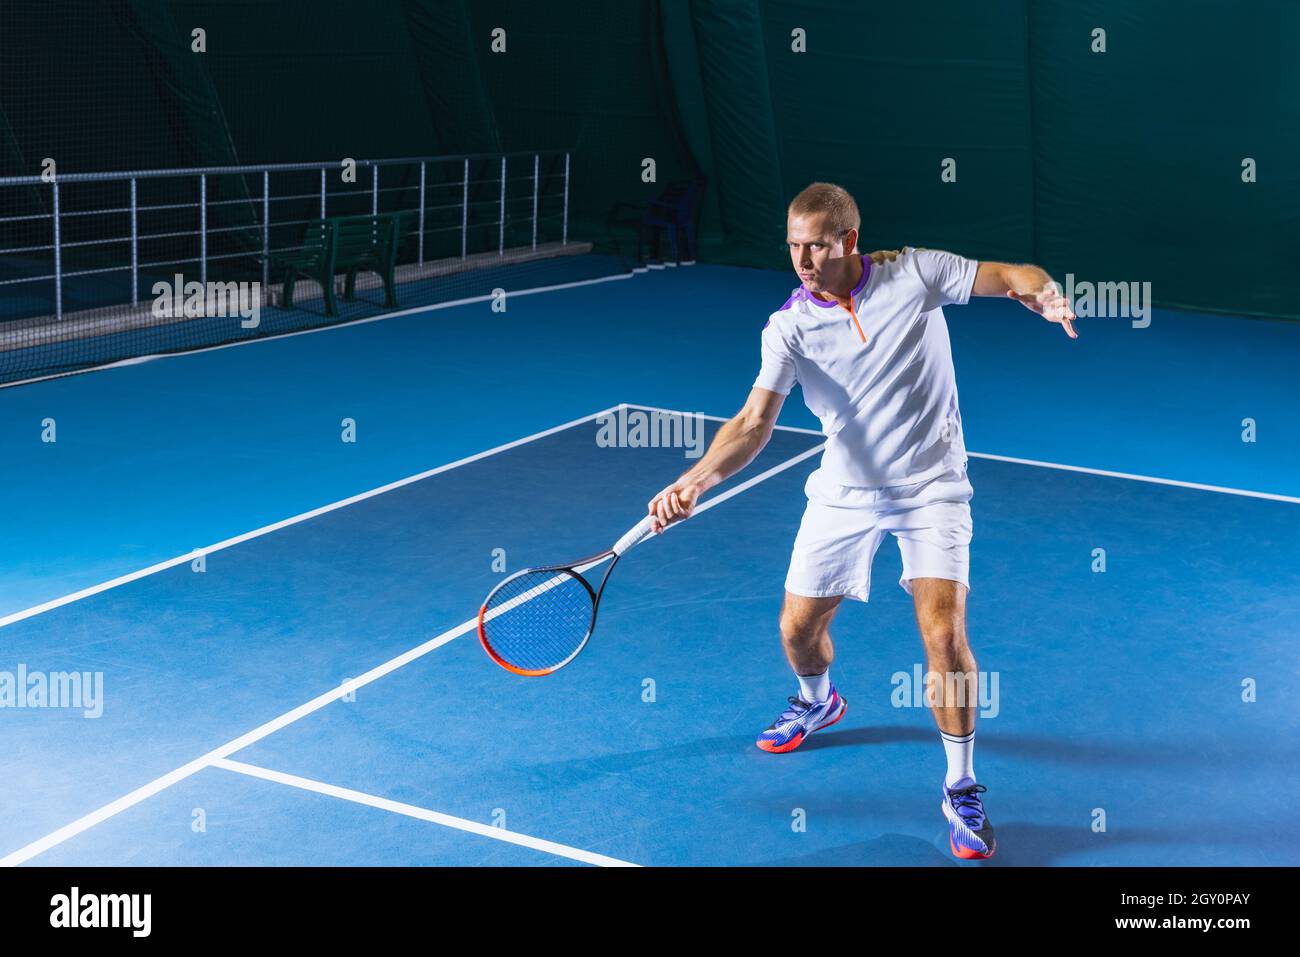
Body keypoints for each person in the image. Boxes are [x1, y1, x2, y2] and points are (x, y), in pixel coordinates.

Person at [644, 182, 1077, 860]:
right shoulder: (788, 325)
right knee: (797, 628)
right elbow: (754, 421)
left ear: (848, 239)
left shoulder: (916, 272)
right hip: (845, 490)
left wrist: (1044, 291)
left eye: (814, 244)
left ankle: (960, 784)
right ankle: (818, 698)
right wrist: (694, 479)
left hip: (933, 485)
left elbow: (1009, 274)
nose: (802, 259)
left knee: (944, 633)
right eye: (792, 246)